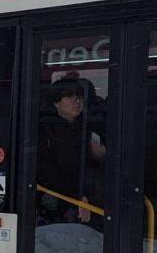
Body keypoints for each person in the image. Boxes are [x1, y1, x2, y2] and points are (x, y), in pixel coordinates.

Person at [37, 78, 107, 226]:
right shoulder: (45, 131)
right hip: (58, 204)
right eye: (71, 97)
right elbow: (52, 172)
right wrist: (79, 197)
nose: (77, 102)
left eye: (80, 97)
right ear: (56, 102)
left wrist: (99, 156)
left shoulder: (86, 127)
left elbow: (89, 167)